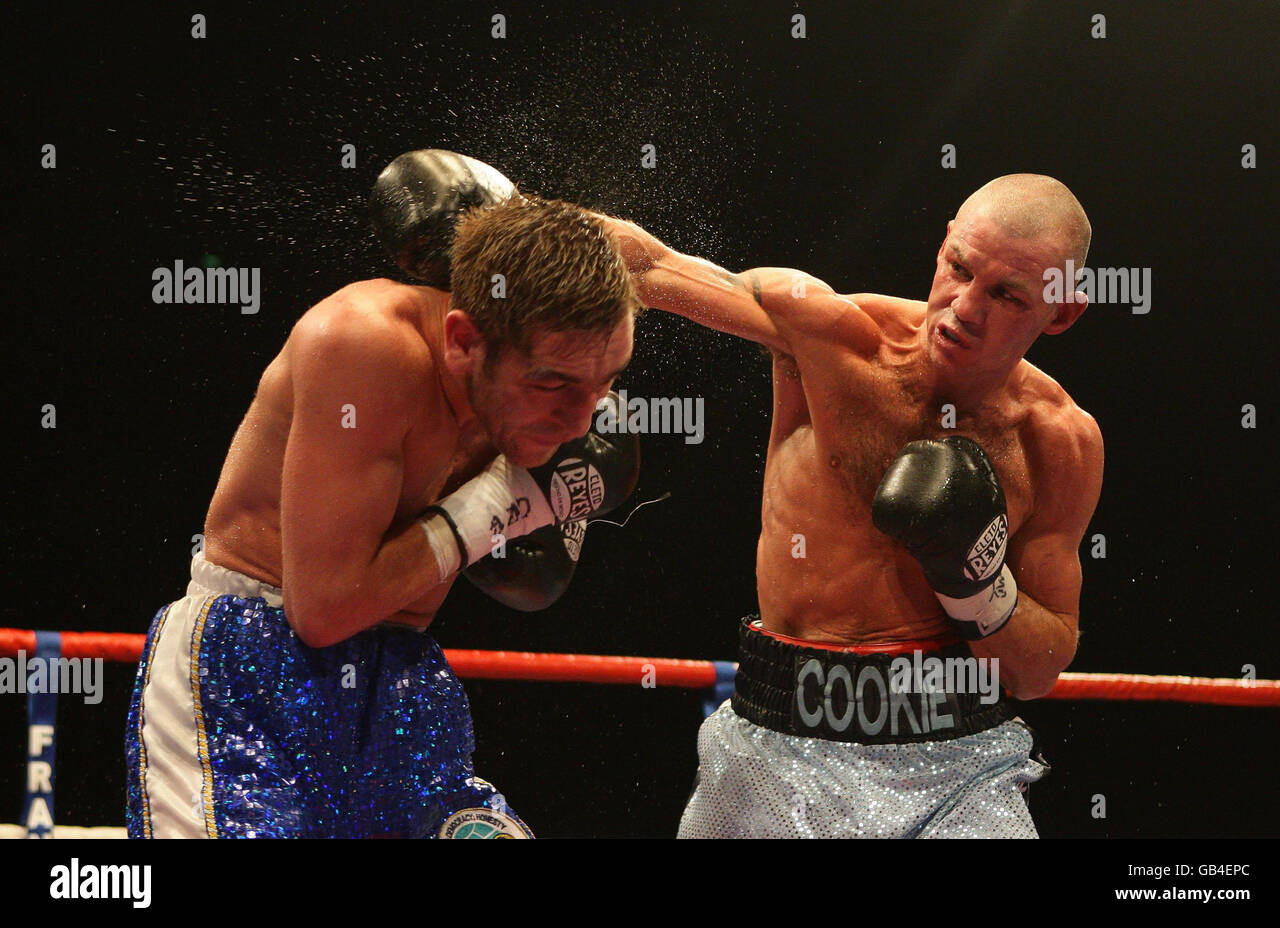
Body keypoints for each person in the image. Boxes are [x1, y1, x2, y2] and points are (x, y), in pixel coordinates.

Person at [125, 150, 640, 838]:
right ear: (464, 342)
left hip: (403, 681)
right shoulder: (366, 344)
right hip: (253, 670)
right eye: (552, 383)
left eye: (603, 384)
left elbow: (535, 580)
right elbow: (324, 610)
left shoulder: (540, 378)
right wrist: (498, 502)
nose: (582, 419)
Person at [602, 174, 1103, 837]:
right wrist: (489, 223)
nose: (964, 307)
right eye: (959, 269)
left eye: (1006, 296)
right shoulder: (830, 334)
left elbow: (1038, 671)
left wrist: (977, 583)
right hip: (773, 746)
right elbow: (646, 265)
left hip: (959, 763)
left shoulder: (1060, 443)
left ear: (1062, 312)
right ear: (944, 244)